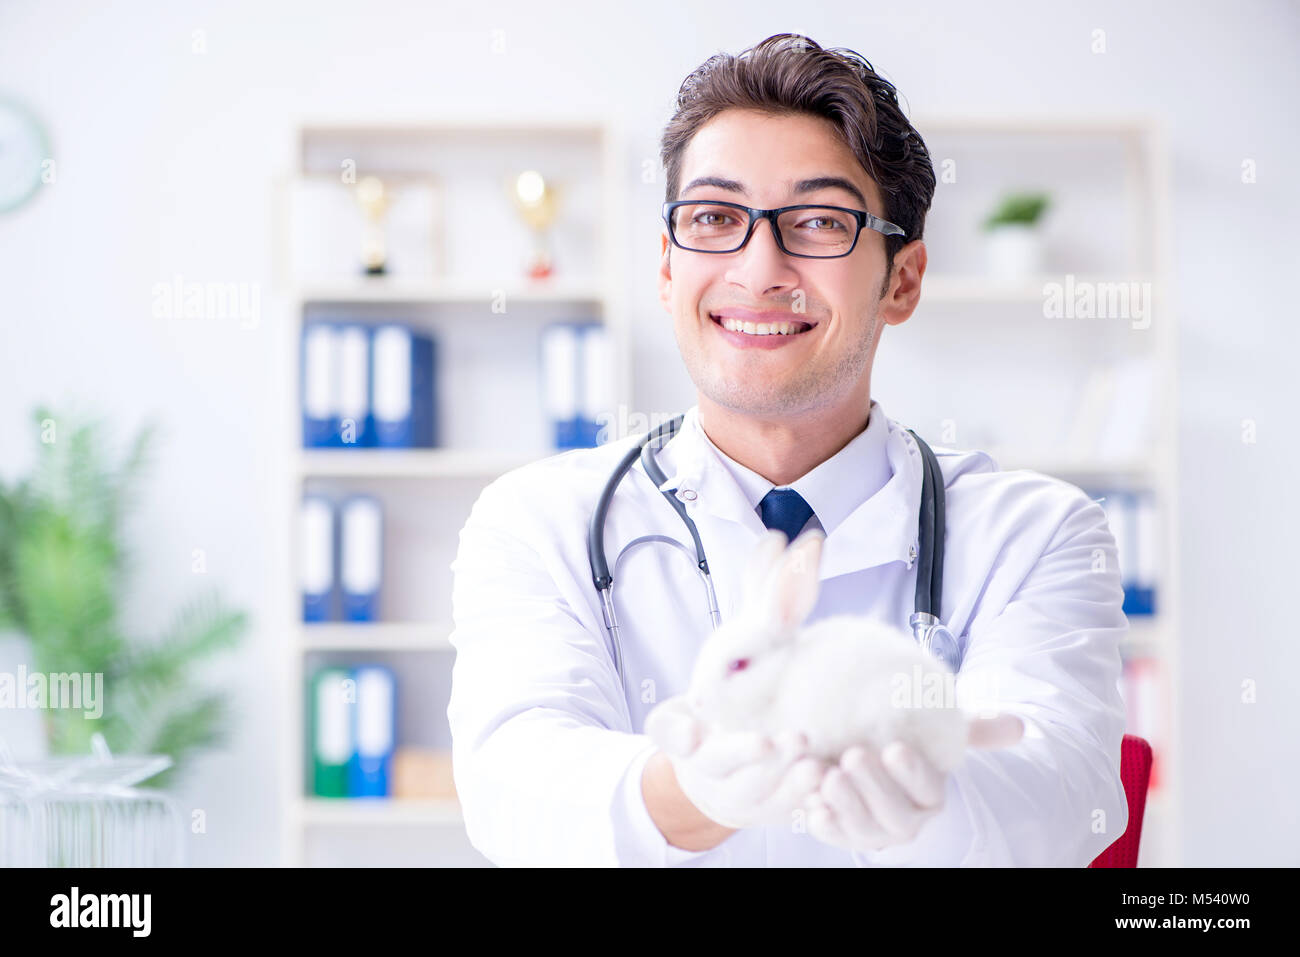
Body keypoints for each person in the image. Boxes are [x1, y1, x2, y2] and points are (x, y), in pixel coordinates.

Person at [446, 33, 1129, 866]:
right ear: (666, 269)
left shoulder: (1038, 532)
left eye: (817, 221)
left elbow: (1066, 790)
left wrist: (930, 805)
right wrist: (687, 793)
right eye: (713, 217)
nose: (759, 268)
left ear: (902, 279)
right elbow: (511, 781)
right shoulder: (540, 519)